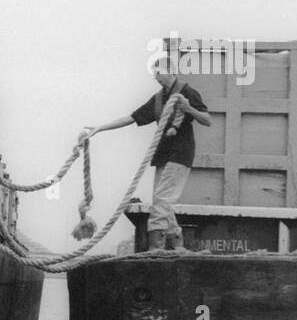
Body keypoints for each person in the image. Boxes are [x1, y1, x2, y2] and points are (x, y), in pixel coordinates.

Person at [82, 57, 211, 250]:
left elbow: (207, 119)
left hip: (180, 154)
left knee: (161, 201)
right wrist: (101, 128)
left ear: (171, 70)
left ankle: (155, 249)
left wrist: (188, 108)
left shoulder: (187, 92)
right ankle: (177, 244)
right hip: (163, 154)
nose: (156, 77)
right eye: (154, 74)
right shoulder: (158, 99)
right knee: (162, 202)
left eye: (159, 73)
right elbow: (132, 117)